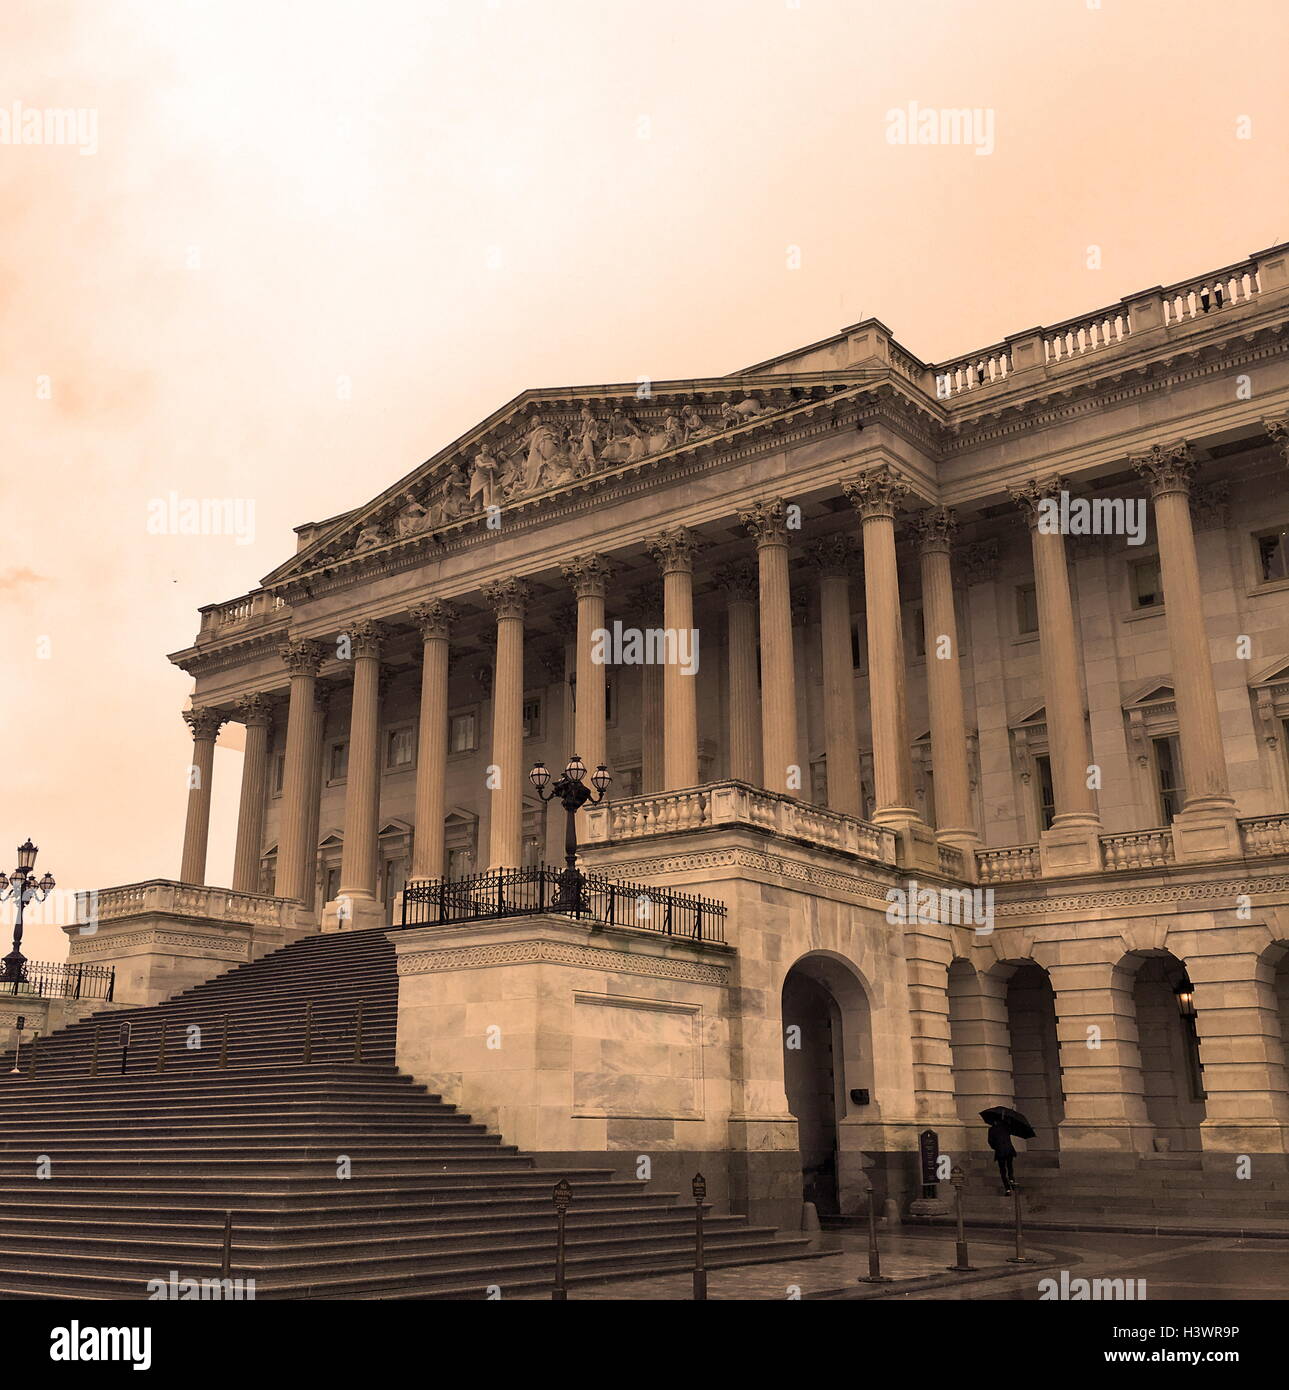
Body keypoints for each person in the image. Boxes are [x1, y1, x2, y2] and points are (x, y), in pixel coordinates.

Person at [987, 1117, 1017, 1194]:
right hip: (1009, 1150)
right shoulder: (1006, 1127)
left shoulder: (992, 1129)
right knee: (1009, 1166)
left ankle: (1007, 1188)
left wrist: (996, 1147)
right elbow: (1013, 1130)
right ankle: (1011, 1179)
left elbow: (990, 1142)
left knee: (1003, 1170)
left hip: (1000, 1151)